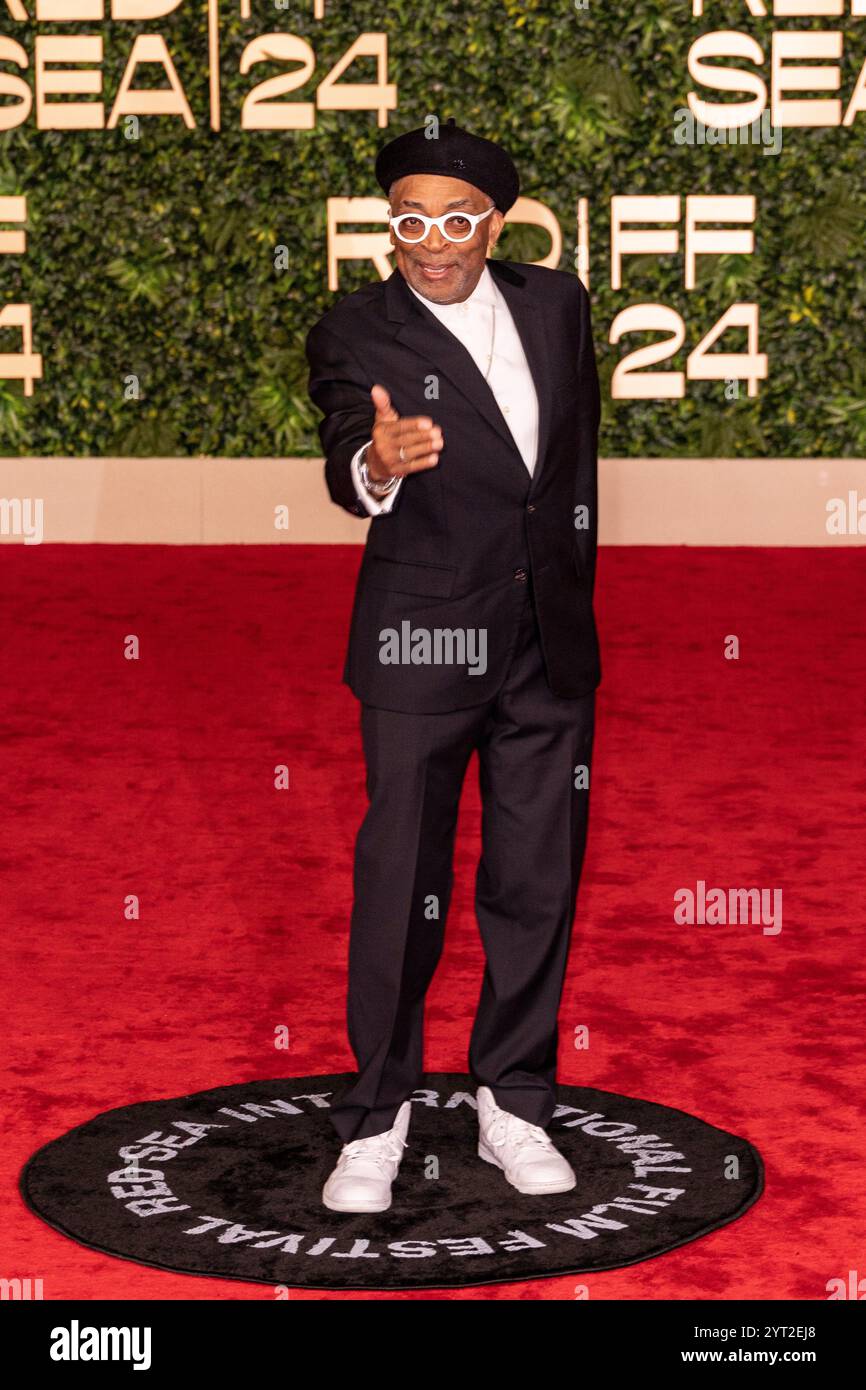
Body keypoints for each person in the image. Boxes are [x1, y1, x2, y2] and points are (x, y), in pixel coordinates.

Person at [305, 117, 601, 1213]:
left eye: (455, 219)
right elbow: (345, 447)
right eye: (409, 219)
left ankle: (513, 1101)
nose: (430, 242)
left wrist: (566, 606)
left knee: (533, 883)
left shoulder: (558, 306)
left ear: (497, 222)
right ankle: (374, 1118)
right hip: (421, 640)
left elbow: (568, 470)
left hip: (545, 646)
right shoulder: (355, 326)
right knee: (401, 888)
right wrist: (373, 463)